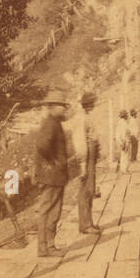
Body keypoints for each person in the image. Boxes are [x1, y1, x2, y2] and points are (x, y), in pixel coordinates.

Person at [33, 90, 70, 259]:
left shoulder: (53, 122)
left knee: (51, 211)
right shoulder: (51, 123)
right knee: (49, 211)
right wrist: (54, 162)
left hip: (53, 175)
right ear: (53, 107)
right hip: (52, 176)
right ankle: (46, 247)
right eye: (62, 106)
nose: (64, 109)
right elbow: (42, 145)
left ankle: (48, 246)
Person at [75, 92, 102, 235]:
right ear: (87, 105)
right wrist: (83, 164)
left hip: (91, 154)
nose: (94, 105)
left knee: (90, 189)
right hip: (87, 156)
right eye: (92, 103)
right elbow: (81, 143)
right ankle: (85, 225)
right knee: (86, 190)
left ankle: (88, 222)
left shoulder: (87, 117)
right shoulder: (82, 119)